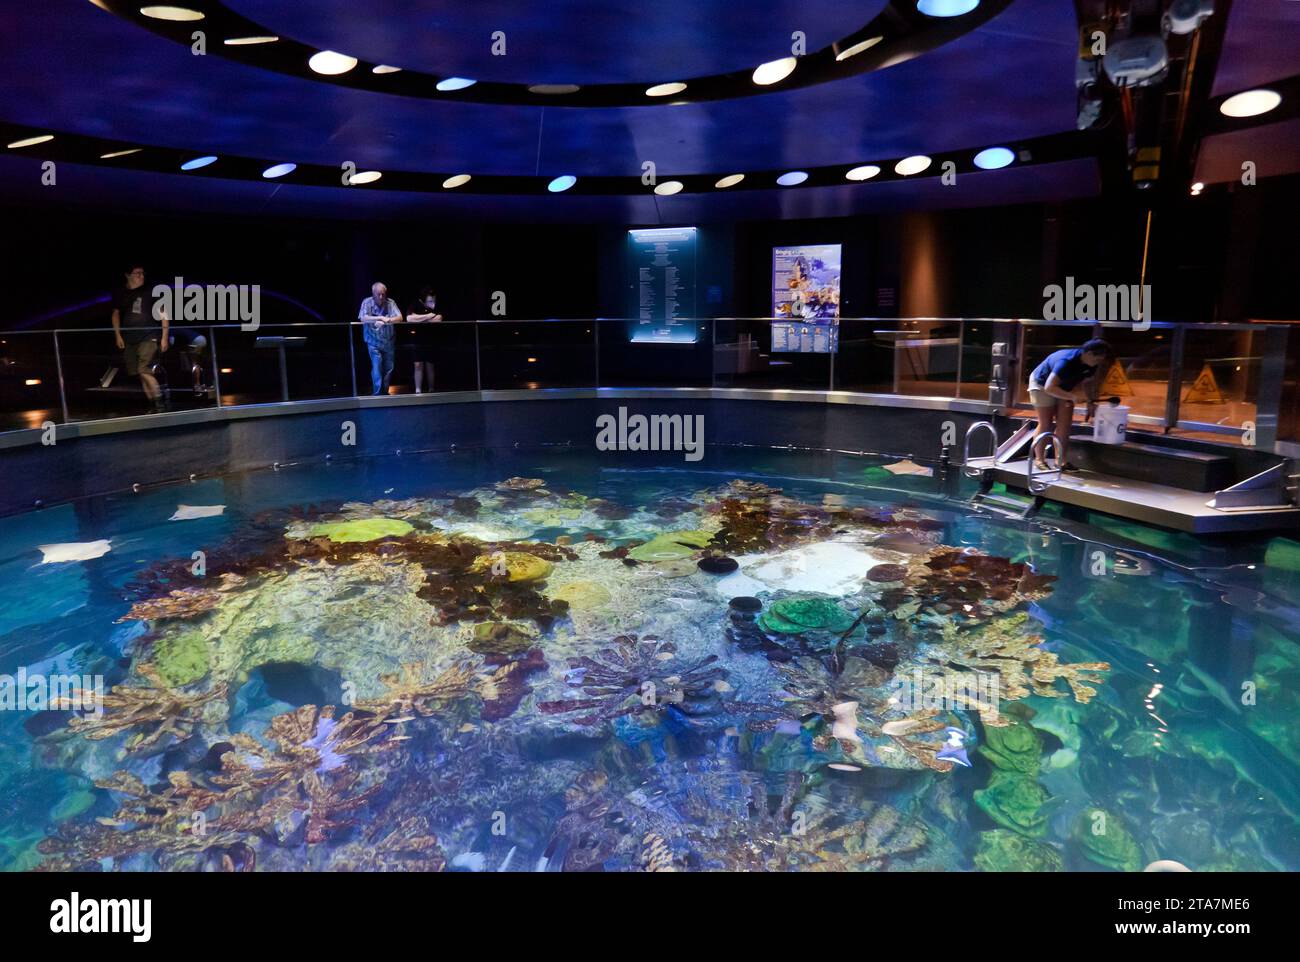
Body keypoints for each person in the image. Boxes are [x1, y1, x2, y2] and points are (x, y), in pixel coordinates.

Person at [1027, 337, 1112, 470]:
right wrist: (1072, 397)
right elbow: (1050, 387)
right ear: (1089, 353)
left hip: (1064, 387)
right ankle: (1039, 460)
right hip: (1042, 384)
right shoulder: (1066, 361)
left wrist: (1090, 401)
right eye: (1097, 359)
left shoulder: (1090, 365)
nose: (1098, 363)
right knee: (1046, 422)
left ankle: (1060, 461)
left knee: (1065, 424)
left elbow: (1086, 383)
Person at [111, 265, 168, 409]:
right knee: (139, 372)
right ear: (128, 275)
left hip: (149, 336)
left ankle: (160, 402)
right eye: (137, 273)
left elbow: (163, 314)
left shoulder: (150, 292)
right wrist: (118, 335)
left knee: (145, 369)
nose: (141, 276)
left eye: (143, 273)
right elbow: (116, 314)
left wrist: (164, 337)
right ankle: (152, 404)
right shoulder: (122, 293)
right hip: (130, 338)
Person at [358, 282, 402, 395]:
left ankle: (385, 392)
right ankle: (377, 393)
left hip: (389, 341)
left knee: (389, 368)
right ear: (373, 294)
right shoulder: (367, 302)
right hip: (373, 342)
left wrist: (389, 320)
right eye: (379, 294)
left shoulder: (391, 303)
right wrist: (380, 318)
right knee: (377, 366)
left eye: (383, 294)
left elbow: (400, 317)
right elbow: (363, 318)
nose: (381, 297)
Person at [404, 288, 443, 393]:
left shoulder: (436, 307)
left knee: (430, 364)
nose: (433, 303)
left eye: (434, 300)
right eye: (430, 301)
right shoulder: (415, 304)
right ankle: (418, 390)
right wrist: (428, 316)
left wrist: (418, 318)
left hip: (431, 339)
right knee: (418, 364)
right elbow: (409, 319)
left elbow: (438, 319)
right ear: (423, 300)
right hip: (417, 339)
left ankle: (431, 389)